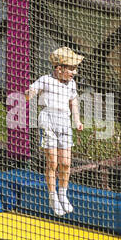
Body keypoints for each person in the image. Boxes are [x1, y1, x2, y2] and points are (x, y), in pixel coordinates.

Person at [28, 47, 84, 217]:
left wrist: (77, 120)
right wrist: (28, 94)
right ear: (59, 68)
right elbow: (32, 91)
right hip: (48, 120)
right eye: (71, 68)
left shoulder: (71, 84)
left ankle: (63, 194)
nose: (74, 72)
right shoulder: (45, 80)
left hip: (64, 122)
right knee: (52, 162)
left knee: (66, 162)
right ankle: (52, 196)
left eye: (75, 68)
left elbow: (73, 102)